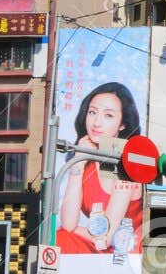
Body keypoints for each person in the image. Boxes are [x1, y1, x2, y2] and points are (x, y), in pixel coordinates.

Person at [57, 83, 144, 255]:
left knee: (63, 236)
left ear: (123, 124)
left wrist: (74, 230)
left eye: (108, 115)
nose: (97, 122)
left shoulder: (130, 162)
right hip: (97, 244)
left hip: (126, 250)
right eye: (92, 112)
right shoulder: (87, 161)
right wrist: (78, 164)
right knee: (61, 238)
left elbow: (108, 238)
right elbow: (68, 223)